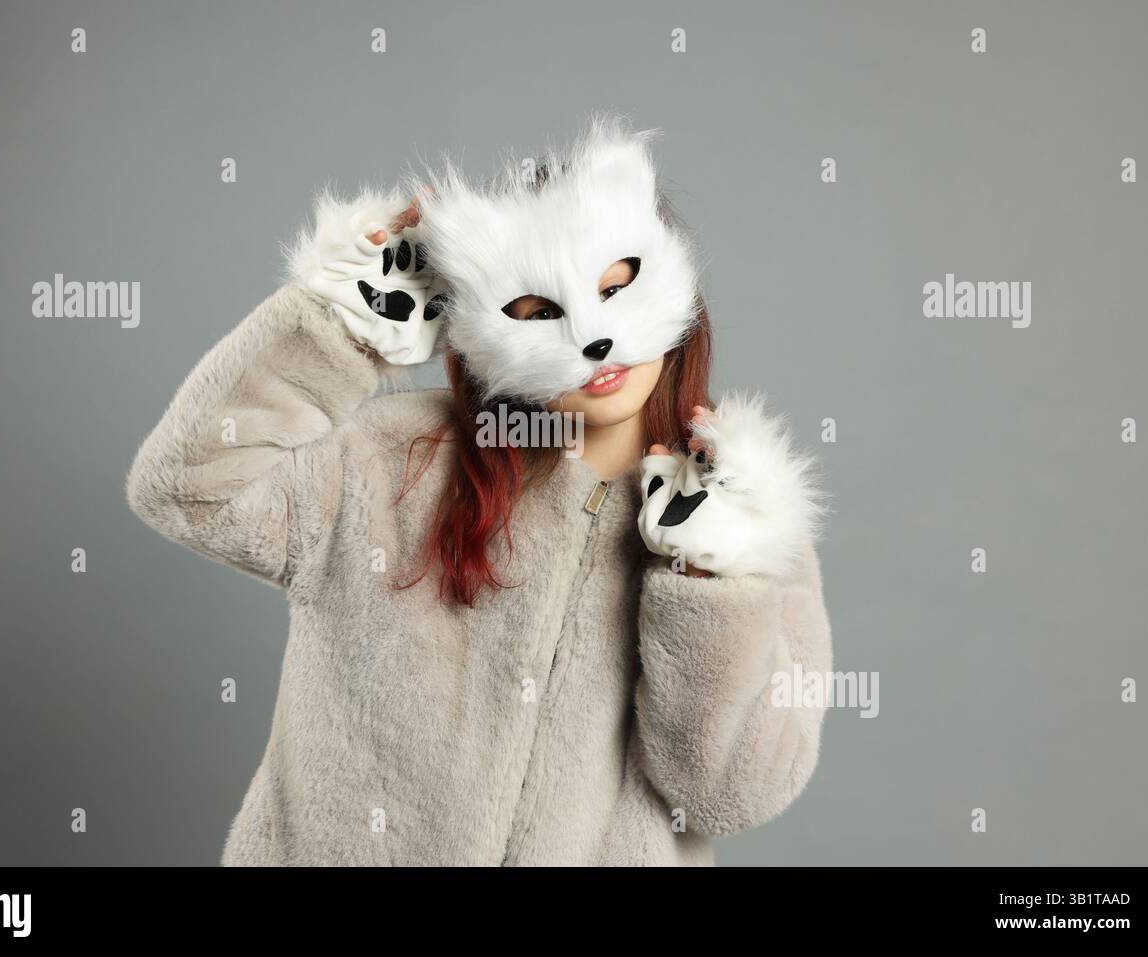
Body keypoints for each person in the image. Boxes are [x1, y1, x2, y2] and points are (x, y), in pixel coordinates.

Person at [126, 116, 833, 866]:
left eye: (616, 288)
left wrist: (702, 581)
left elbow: (731, 792)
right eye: (537, 311)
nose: (592, 339)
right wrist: (343, 325)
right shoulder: (389, 459)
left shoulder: (750, 522)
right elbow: (186, 489)